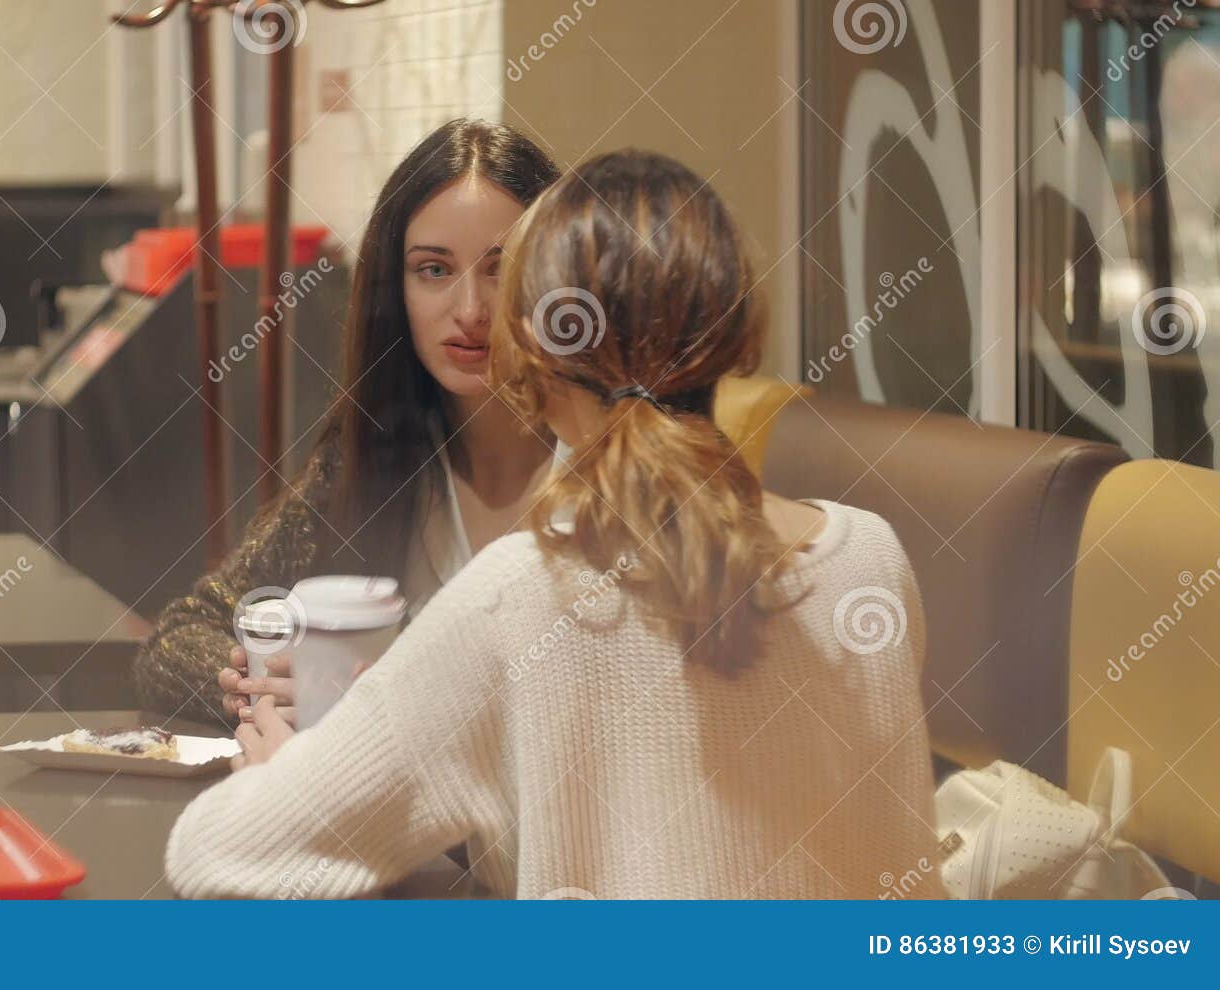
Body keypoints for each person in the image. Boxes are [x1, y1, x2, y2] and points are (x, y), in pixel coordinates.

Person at [163, 150, 944, 899]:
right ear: (737, 330)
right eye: (434, 269)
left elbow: (214, 852)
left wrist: (282, 773)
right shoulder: (871, 558)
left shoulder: (518, 596)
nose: (470, 309)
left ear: (527, 348)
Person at [133, 119, 562, 725]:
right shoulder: (371, 450)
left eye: (501, 268)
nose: (470, 310)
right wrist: (265, 688)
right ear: (396, 289)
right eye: (434, 270)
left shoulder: (612, 461)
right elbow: (178, 637)